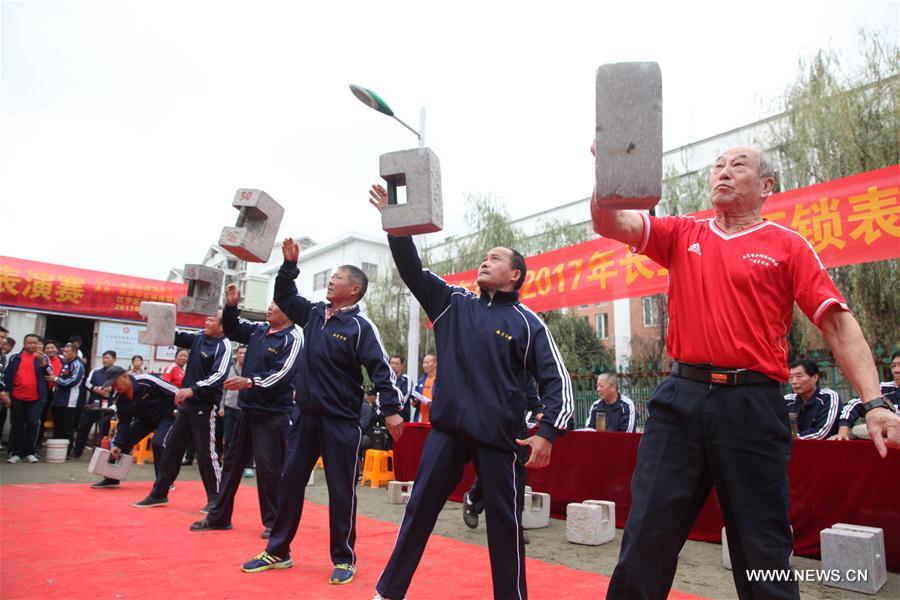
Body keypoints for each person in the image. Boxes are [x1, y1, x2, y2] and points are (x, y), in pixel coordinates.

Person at [590, 145, 900, 600]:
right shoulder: (682, 233)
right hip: (682, 398)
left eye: (738, 166)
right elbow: (610, 222)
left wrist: (874, 403)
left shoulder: (787, 245)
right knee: (645, 537)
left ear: (767, 186)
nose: (724, 172)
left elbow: (835, 322)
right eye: (718, 166)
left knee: (763, 550)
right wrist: (608, 169)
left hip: (752, 406)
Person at [369, 184, 573, 600]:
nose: (485, 260)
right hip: (447, 432)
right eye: (485, 256)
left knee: (505, 526)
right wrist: (395, 225)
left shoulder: (528, 322)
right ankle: (388, 592)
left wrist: (548, 432)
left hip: (500, 439)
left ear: (515, 274)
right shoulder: (452, 303)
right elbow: (412, 269)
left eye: (495, 258)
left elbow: (558, 383)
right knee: (417, 513)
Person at [239, 238, 405, 585]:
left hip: (341, 422)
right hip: (303, 418)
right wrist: (288, 266)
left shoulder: (360, 328)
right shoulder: (313, 314)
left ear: (354, 289)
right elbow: (284, 297)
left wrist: (391, 410)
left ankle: (344, 558)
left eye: (338, 277)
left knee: (341, 491)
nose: (331, 280)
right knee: (289, 484)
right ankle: (278, 551)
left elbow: (381, 371)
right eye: (331, 276)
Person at [191, 290, 302, 538]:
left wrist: (251, 382)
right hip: (248, 410)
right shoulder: (259, 330)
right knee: (231, 465)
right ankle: (219, 516)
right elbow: (232, 328)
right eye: (271, 302)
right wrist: (230, 307)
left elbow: (283, 374)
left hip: (273, 414)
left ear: (289, 312)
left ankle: (274, 523)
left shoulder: (293, 338)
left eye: (276, 303)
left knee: (269, 470)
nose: (271, 307)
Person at [133, 314, 231, 510]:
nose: (206, 322)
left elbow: (218, 376)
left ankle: (215, 500)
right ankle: (159, 493)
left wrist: (193, 389)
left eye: (212, 321)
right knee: (171, 448)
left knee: (206, 454)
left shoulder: (224, 345)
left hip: (204, 405)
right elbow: (173, 334)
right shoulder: (198, 337)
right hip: (187, 405)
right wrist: (154, 320)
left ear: (222, 327)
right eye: (207, 319)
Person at [462, 376, 545, 541]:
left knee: (518, 476)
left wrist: (538, 411)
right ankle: (473, 498)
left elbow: (528, 386)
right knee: (493, 470)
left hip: (517, 425)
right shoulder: (491, 356)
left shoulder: (521, 362)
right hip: (491, 422)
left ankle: (515, 524)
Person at [90, 366, 178, 489]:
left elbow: (176, 391)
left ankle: (164, 481)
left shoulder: (146, 380)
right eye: (112, 385)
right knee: (123, 442)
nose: (115, 388)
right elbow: (123, 422)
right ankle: (112, 478)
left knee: (158, 442)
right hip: (145, 420)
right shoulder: (119, 398)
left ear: (125, 376)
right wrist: (117, 444)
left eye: (116, 383)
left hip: (167, 416)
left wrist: (178, 410)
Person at [1, 334, 50, 463]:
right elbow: (7, 375)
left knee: (33, 423)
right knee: (17, 424)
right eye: (29, 343)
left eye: (35, 343)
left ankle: (30, 451)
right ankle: (16, 452)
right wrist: (6, 392)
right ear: (24, 344)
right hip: (17, 396)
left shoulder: (42, 357)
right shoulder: (15, 358)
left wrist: (43, 364)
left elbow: (50, 374)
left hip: (36, 397)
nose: (32, 345)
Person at [833, 350, 900, 440]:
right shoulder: (883, 389)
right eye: (893, 366)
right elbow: (854, 404)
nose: (896, 370)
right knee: (857, 431)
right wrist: (842, 433)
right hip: (887, 445)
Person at [72, 350, 117, 459]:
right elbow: (87, 383)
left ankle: (101, 455)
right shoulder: (96, 371)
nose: (105, 360)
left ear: (114, 359)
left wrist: (111, 390)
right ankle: (77, 452)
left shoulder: (117, 373)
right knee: (83, 428)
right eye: (104, 358)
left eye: (108, 358)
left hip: (107, 406)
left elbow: (120, 388)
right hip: (93, 404)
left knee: (104, 431)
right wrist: (95, 389)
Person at [783, 359, 841, 439]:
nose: (794, 381)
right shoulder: (788, 400)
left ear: (815, 377)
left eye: (799, 376)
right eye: (790, 377)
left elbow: (822, 433)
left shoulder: (828, 397)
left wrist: (794, 438)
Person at [47, 342, 86, 454]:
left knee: (67, 427)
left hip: (70, 401)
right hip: (59, 400)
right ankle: (56, 450)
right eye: (63, 351)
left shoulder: (77, 364)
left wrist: (56, 380)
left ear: (74, 352)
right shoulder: (66, 363)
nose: (64, 354)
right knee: (58, 426)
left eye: (67, 352)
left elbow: (74, 380)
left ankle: (67, 451)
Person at [37, 340, 63, 450]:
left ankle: (55, 444)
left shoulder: (63, 360)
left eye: (52, 347)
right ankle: (38, 442)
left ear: (57, 349)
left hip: (58, 391)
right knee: (41, 417)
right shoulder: (41, 360)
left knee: (58, 418)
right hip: (44, 392)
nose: (50, 350)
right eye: (48, 348)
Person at [221, 345, 246, 448]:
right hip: (229, 408)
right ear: (236, 354)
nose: (242, 355)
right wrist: (221, 407)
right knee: (228, 438)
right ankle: (227, 461)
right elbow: (223, 390)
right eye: (240, 353)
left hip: (244, 409)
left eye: (245, 353)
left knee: (243, 439)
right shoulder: (228, 369)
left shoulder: (251, 371)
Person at [410, 354, 437, 423]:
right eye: (423, 363)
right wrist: (415, 402)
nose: (424, 365)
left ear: (435, 364)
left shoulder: (441, 381)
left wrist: (434, 404)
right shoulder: (420, 381)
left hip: (435, 421)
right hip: (420, 420)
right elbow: (416, 397)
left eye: (427, 362)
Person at [389, 355, 414, 422]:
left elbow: (404, 397)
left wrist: (391, 407)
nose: (393, 365)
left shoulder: (406, 379)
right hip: (387, 417)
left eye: (396, 364)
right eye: (391, 363)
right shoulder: (386, 379)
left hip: (402, 418)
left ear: (402, 366)